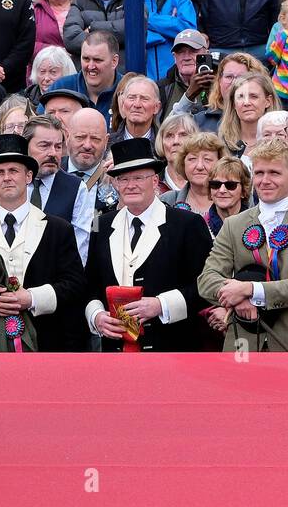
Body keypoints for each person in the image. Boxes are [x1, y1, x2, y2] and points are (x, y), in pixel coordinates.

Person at [0, 133, 85, 351]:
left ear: (29, 176)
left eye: (14, 170)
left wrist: (32, 298)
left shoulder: (58, 229)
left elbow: (75, 285)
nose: (7, 178)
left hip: (45, 344)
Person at [85, 138, 210, 352]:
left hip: (173, 349)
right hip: (115, 350)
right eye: (123, 179)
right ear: (115, 184)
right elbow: (89, 285)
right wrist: (96, 315)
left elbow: (206, 286)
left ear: (154, 181)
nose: (130, 185)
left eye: (138, 178)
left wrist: (161, 305)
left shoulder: (187, 224)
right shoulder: (102, 224)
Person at [198, 138, 288, 351]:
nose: (265, 180)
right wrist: (237, 298)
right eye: (259, 173)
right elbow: (206, 280)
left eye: (274, 173)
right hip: (244, 345)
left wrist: (251, 290)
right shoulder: (234, 224)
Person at [0, 112, 96, 263]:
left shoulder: (76, 188)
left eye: (58, 146)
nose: (53, 153)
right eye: (44, 146)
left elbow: (80, 246)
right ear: (25, 146)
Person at [49, 30, 122, 124]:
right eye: (86, 59)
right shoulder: (61, 87)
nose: (91, 66)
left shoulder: (129, 90)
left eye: (97, 60)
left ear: (114, 61)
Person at [160, 132, 225, 216]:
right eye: (192, 159)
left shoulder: (232, 200)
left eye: (207, 159)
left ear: (220, 163)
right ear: (183, 163)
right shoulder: (167, 201)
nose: (199, 166)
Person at [219, 71, 279, 158]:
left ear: (268, 101)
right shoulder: (221, 144)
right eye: (240, 97)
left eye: (253, 96)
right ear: (234, 104)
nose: (246, 103)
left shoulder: (284, 139)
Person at [158, 29, 209, 115]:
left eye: (193, 51)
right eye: (181, 52)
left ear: (206, 54)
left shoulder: (219, 84)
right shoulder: (161, 89)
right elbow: (160, 127)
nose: (186, 57)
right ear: (174, 57)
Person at [109, 74, 162, 144]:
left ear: (156, 107)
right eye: (131, 98)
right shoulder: (106, 143)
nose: (137, 105)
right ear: (123, 104)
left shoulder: (165, 146)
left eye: (144, 99)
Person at [155, 112, 199, 193]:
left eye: (183, 135)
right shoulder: (151, 182)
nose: (176, 141)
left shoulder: (206, 182)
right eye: (169, 135)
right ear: (161, 142)